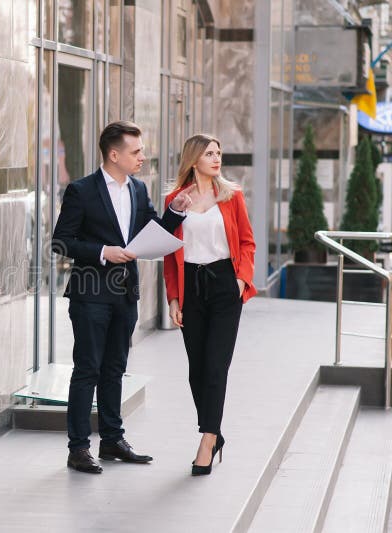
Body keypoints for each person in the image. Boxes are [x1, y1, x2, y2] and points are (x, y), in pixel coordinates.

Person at [52, 121, 192, 474]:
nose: (143, 157)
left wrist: (175, 213)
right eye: (136, 152)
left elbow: (150, 231)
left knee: (116, 368)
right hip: (90, 294)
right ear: (114, 155)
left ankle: (112, 440)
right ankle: (78, 448)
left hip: (125, 294)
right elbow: (61, 242)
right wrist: (103, 251)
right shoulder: (81, 191)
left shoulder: (138, 189)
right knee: (88, 370)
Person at [163, 134, 256, 476]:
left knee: (216, 366)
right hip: (190, 285)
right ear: (194, 159)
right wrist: (173, 297)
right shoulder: (176, 200)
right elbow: (168, 254)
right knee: (197, 370)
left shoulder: (232, 196)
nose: (217, 158)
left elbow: (247, 242)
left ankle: (207, 439)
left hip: (224, 285)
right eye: (209, 154)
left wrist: (241, 280)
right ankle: (214, 431)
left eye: (219, 152)